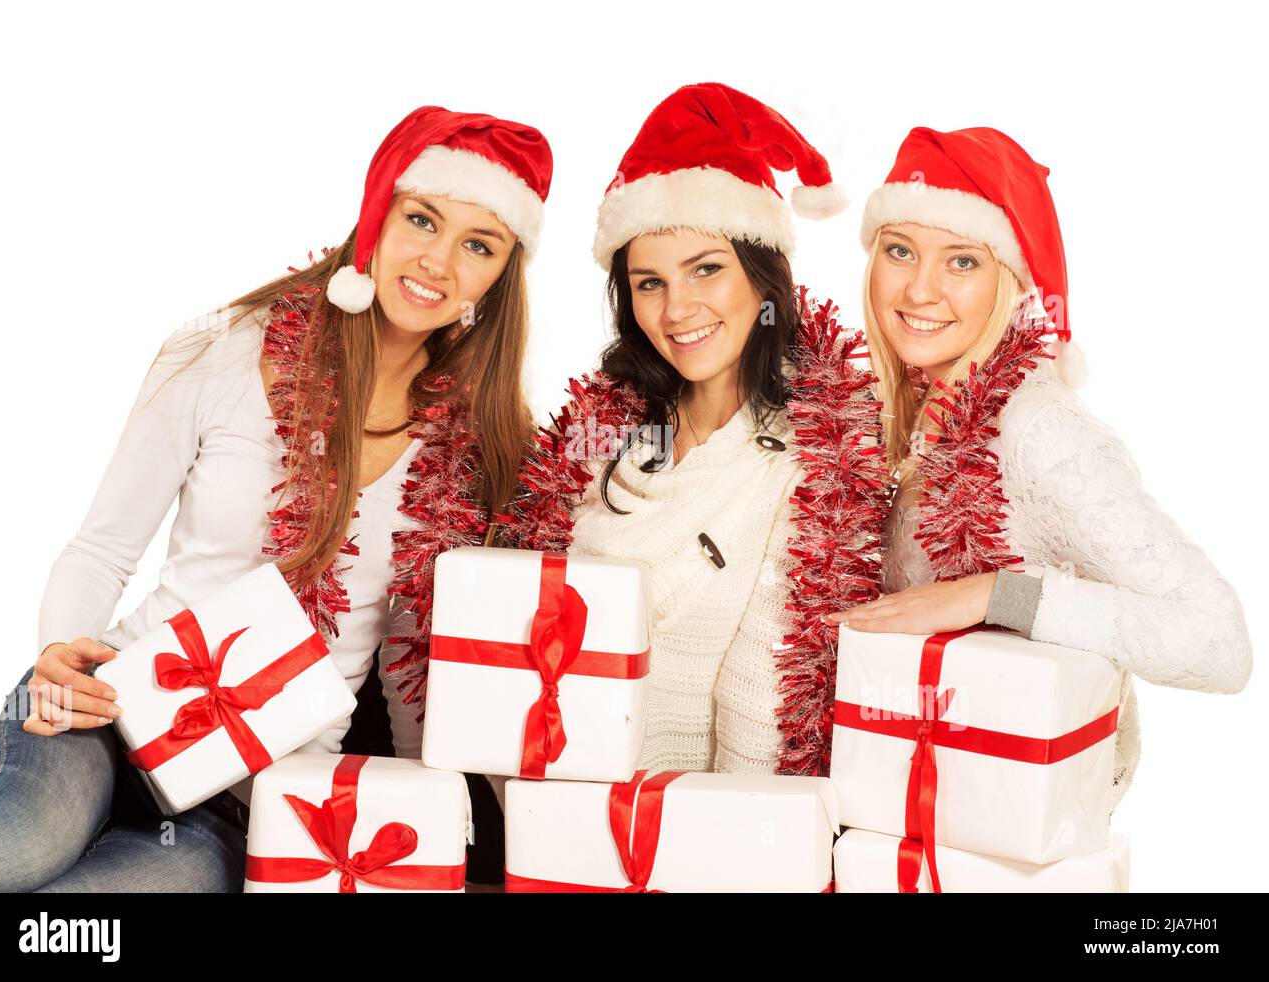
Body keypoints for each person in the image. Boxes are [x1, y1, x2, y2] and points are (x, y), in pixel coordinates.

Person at [0, 105, 553, 891]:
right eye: (422, 219)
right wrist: (60, 650)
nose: (439, 262)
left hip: (247, 795)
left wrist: (429, 817)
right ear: (380, 212)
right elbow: (103, 548)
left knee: (88, 912)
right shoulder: (221, 348)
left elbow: (417, 665)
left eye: (477, 244)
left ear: (499, 276)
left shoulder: (478, 447)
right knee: (9, 852)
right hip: (107, 705)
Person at [825, 126, 1253, 809]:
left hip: (1012, 830)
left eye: (962, 262)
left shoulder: (1035, 427)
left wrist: (996, 596)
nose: (920, 290)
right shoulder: (887, 416)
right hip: (903, 803)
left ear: (1009, 283)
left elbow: (1218, 640)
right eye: (900, 251)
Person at [493, 83, 888, 789]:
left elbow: (762, 706)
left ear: (764, 279)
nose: (678, 309)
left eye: (706, 269)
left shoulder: (814, 467)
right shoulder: (597, 438)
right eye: (649, 283)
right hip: (546, 821)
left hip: (698, 839)